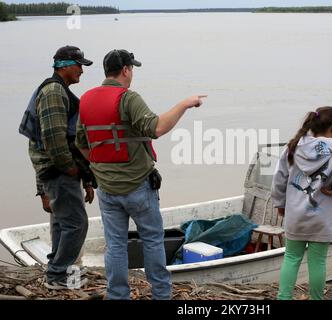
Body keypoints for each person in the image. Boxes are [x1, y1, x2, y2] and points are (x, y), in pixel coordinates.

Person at [76, 49, 206, 300]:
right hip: (138, 186)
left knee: (115, 245)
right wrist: (184, 104)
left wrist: (99, 169)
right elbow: (156, 128)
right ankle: (161, 295)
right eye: (131, 68)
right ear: (125, 70)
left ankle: (117, 295)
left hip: (107, 188)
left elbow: (82, 143)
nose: (132, 73)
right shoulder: (128, 98)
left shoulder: (87, 99)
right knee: (153, 241)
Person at [19, 45, 96, 289]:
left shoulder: (59, 90)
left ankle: (58, 271)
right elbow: (53, 138)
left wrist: (84, 178)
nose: (82, 71)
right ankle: (57, 276)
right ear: (64, 66)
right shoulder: (54, 91)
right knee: (77, 223)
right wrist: (71, 169)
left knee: (63, 223)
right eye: (79, 65)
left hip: (59, 171)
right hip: (58, 171)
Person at [271, 106, 332, 300]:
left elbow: (279, 178)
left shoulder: (294, 146)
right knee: (318, 262)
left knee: (291, 257)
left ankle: (284, 297)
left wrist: (280, 202)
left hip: (296, 215)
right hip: (323, 219)